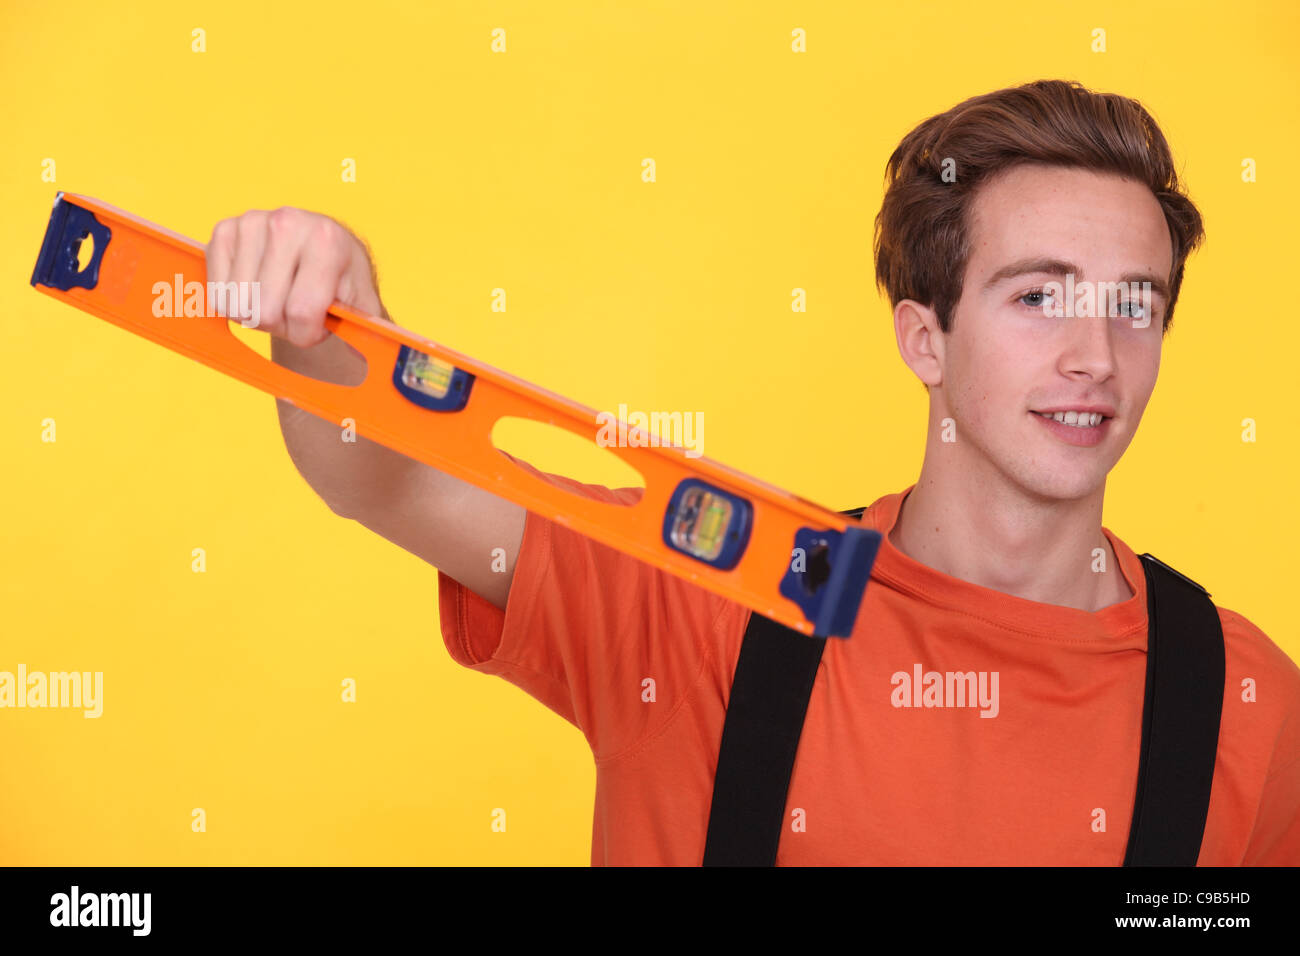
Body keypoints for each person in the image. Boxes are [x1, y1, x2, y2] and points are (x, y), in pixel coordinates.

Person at [205, 78, 1300, 865]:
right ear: (925, 337)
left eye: (1132, 304)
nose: (1093, 356)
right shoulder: (706, 595)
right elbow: (388, 478)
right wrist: (324, 317)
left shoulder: (1245, 699)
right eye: (1036, 295)